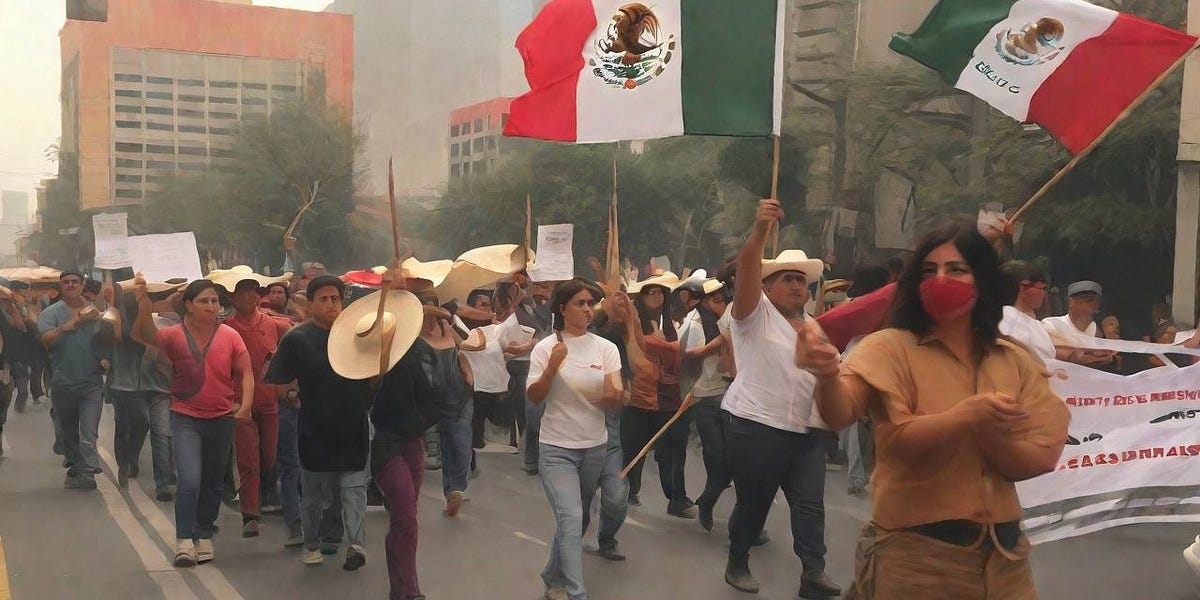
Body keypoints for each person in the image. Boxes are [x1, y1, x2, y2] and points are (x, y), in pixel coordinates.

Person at [798, 223, 1070, 599]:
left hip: (1006, 560)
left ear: (983, 281)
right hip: (918, 560)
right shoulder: (888, 348)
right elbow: (839, 413)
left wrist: (989, 435)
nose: (941, 280)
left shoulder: (1013, 359)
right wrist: (826, 375)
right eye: (929, 271)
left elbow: (1040, 456)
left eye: (956, 269)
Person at [720, 199, 840, 598]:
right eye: (787, 279)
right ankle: (738, 561)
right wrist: (760, 231)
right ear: (766, 286)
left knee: (810, 505)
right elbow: (746, 271)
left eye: (801, 281)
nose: (796, 286)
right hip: (757, 425)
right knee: (754, 502)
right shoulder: (753, 316)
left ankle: (813, 573)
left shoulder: (817, 328)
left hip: (807, 430)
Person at [132, 278, 254, 567]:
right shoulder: (174, 335)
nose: (211, 306)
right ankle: (185, 540)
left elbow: (246, 372)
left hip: (221, 419)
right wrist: (143, 300)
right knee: (189, 479)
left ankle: (204, 534)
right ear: (188, 305)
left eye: (214, 301)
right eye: (203, 301)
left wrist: (246, 407)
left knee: (212, 482)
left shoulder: (230, 336)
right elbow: (144, 333)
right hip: (186, 417)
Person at [265, 275, 371, 570]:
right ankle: (311, 543)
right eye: (323, 299)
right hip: (314, 431)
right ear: (310, 304)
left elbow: (374, 374)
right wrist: (294, 398)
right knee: (314, 496)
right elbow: (279, 384)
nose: (330, 304)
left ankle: (356, 545)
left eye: (335, 298)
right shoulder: (297, 339)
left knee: (353, 489)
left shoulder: (358, 335)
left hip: (354, 427)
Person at [526, 279, 623, 600]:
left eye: (590, 303)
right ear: (562, 308)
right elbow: (535, 396)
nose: (587, 309)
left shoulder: (606, 349)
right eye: (580, 303)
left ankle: (553, 576)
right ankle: (576, 592)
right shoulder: (546, 348)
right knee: (570, 515)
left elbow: (614, 394)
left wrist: (615, 396)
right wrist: (552, 367)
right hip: (557, 449)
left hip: (594, 448)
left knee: (576, 520)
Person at [219, 275, 292, 538]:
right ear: (232, 298)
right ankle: (250, 513)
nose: (249, 296)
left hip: (270, 401)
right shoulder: (226, 329)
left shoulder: (274, 324)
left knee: (269, 457)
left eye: (253, 291)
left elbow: (294, 343)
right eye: (242, 292)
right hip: (241, 404)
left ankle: (264, 495)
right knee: (248, 458)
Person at [622, 272, 693, 517]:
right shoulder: (632, 319)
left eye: (661, 292)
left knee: (670, 449)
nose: (656, 297)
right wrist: (672, 347)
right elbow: (644, 344)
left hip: (668, 395)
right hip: (638, 394)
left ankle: (676, 498)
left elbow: (676, 354)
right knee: (634, 446)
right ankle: (627, 490)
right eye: (650, 292)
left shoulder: (670, 321)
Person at [99, 280, 176, 500]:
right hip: (127, 386)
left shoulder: (164, 322)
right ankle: (128, 460)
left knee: (162, 433)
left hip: (159, 386)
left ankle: (162, 484)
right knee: (131, 427)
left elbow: (163, 347)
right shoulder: (113, 318)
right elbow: (113, 338)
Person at [38, 270, 106, 491]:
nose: (70, 285)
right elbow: (46, 340)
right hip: (63, 382)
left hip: (91, 382)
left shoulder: (94, 311)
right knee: (67, 430)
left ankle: (88, 471)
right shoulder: (50, 313)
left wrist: (106, 358)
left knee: (89, 430)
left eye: (74, 282)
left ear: (82, 285)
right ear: (61, 286)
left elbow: (106, 340)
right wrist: (68, 326)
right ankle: (75, 464)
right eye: (66, 282)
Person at [413, 288, 475, 516]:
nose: (431, 315)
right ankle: (400, 495)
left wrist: (468, 373)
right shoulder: (410, 332)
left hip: (457, 394)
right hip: (423, 398)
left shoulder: (445, 326)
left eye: (434, 304)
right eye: (426, 306)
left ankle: (455, 490)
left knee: (458, 442)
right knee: (414, 447)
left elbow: (466, 347)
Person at [677, 278, 732, 531]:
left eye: (723, 300)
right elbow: (688, 354)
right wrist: (720, 342)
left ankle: (708, 499)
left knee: (733, 459)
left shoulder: (730, 319)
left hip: (730, 394)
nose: (720, 306)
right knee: (717, 456)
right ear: (704, 301)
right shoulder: (695, 321)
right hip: (705, 396)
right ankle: (708, 501)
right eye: (715, 301)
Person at [499, 273, 554, 475]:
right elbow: (503, 337)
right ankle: (530, 454)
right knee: (530, 412)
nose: (527, 289)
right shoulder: (510, 312)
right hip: (519, 365)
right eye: (523, 286)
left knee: (534, 412)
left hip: (535, 362)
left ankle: (533, 454)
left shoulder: (537, 309)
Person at [1041, 281, 1116, 367]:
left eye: (1096, 300)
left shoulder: (1095, 329)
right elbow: (1053, 356)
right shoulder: (1051, 324)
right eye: (1086, 299)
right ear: (1070, 302)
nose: (1093, 303)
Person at [998, 261, 1056, 363]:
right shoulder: (1006, 320)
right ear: (1023, 287)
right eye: (1041, 288)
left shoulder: (1034, 322)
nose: (1043, 294)